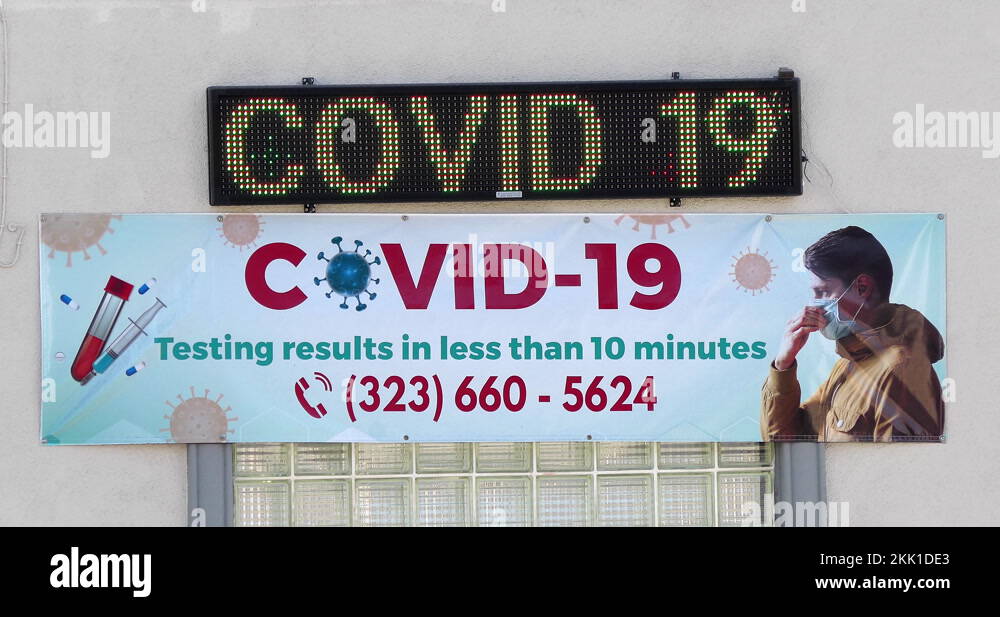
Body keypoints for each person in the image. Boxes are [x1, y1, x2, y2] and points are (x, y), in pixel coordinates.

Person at [761, 226, 945, 442]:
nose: (814, 306)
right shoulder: (850, 363)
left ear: (862, 287)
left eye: (822, 292)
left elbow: (899, 470)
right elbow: (785, 443)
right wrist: (784, 365)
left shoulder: (901, 370)